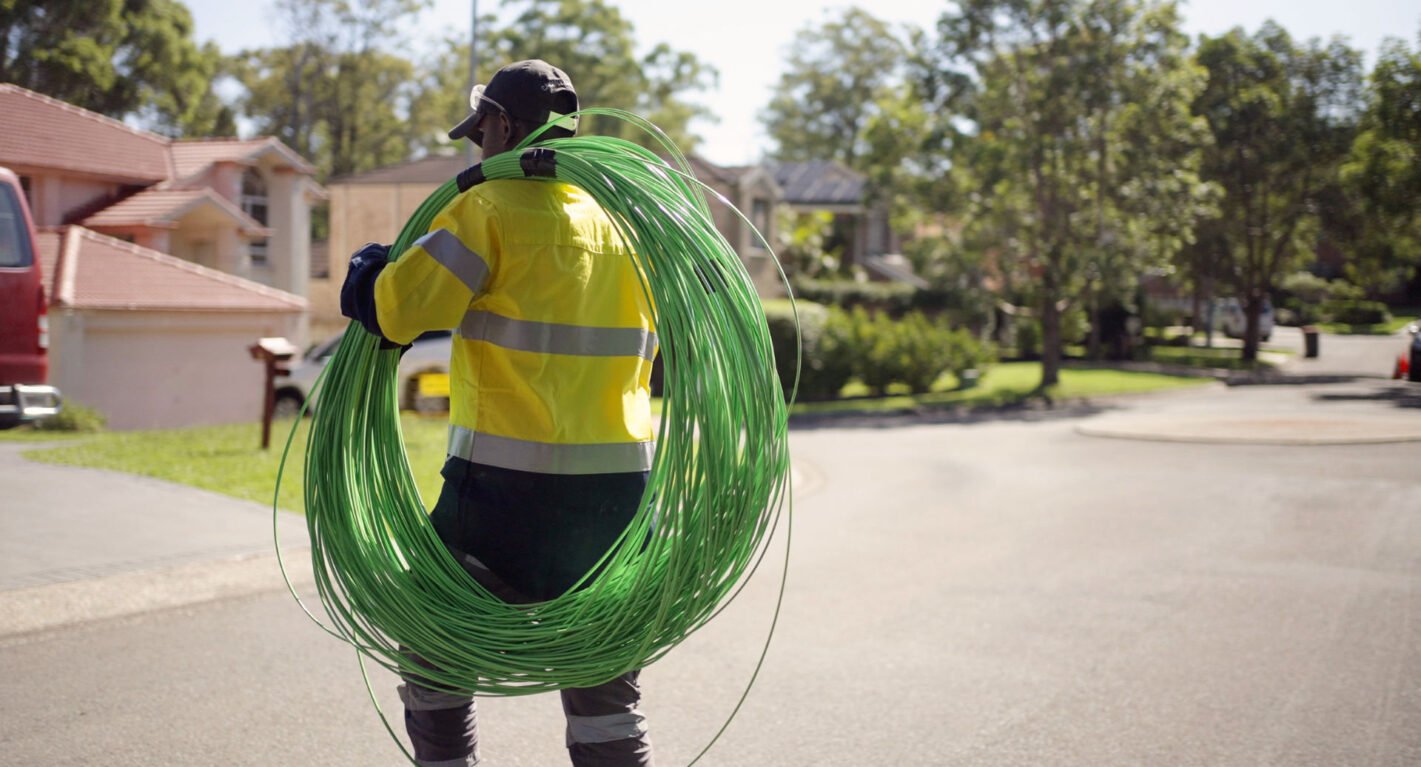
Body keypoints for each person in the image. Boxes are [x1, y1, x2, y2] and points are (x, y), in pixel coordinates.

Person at [340, 59, 656, 767]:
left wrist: (367, 271)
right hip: (619, 502)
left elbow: (397, 312)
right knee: (605, 690)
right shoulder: (626, 228)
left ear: (503, 125)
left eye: (478, 132)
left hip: (504, 496)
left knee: (432, 639)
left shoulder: (484, 209)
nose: (476, 151)